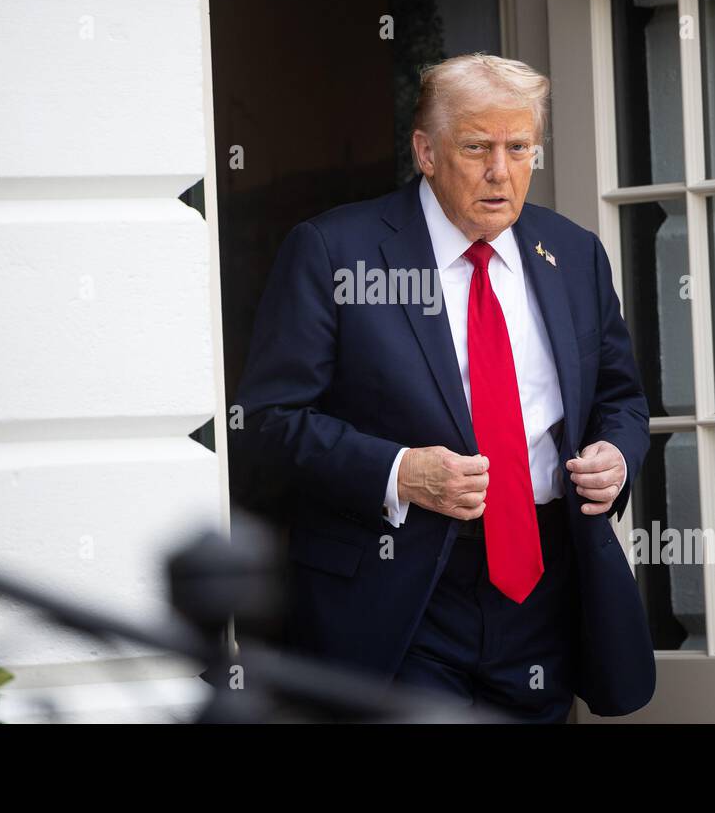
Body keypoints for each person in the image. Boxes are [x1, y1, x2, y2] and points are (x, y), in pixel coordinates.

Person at [232, 53, 654, 722]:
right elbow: (267, 424)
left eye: (519, 148)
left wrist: (616, 455)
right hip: (404, 595)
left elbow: (619, 398)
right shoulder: (336, 250)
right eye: (477, 147)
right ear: (426, 152)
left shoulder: (571, 252)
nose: (501, 171)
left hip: (544, 586)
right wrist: (399, 472)